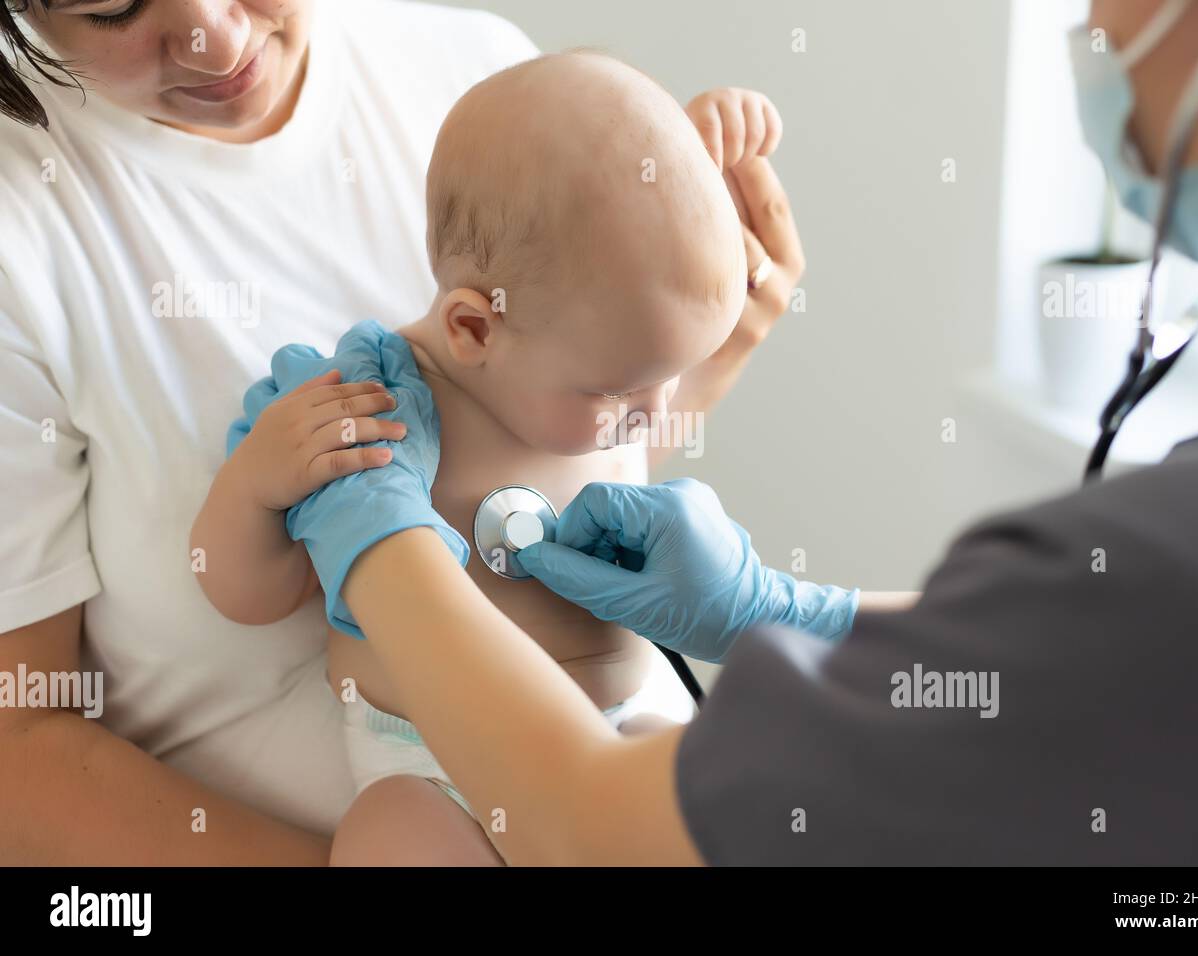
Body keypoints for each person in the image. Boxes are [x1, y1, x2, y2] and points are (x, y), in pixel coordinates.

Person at [255, 0, 1198, 864]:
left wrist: (374, 539)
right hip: (425, 767)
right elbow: (1055, 659)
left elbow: (592, 828)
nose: (1088, 30)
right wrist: (778, 611)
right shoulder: (402, 383)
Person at [0, 0, 797, 864]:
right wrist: (263, 488)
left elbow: (569, 468)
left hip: (619, 737)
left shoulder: (495, 85)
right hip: (401, 803)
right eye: (113, 7)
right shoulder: (30, 227)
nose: (214, 40)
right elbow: (21, 751)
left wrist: (708, 336)